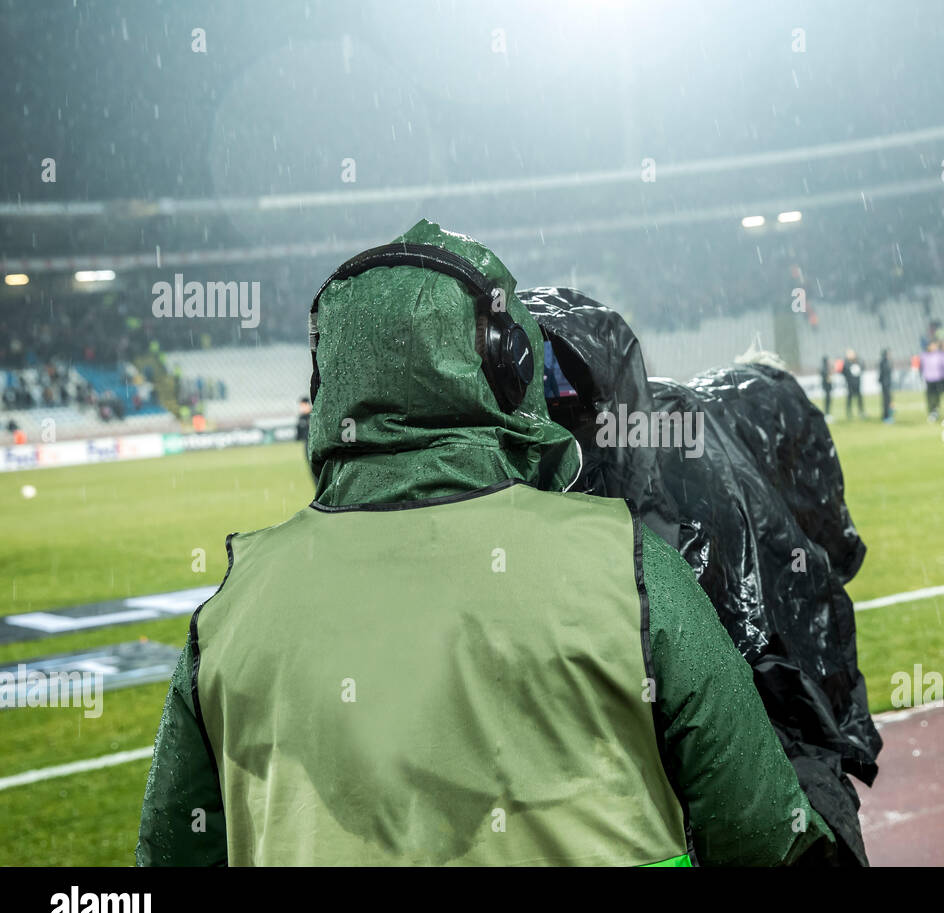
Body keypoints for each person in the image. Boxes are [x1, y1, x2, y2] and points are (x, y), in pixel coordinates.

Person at [136, 220, 837, 868]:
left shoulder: (230, 614)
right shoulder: (624, 566)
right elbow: (762, 833)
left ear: (329, 386)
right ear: (509, 366)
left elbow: (168, 858)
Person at [920, 340, 944, 422]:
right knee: (929, 397)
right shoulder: (924, 355)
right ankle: (932, 411)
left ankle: (937, 411)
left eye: (934, 346)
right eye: (931, 346)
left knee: (938, 396)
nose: (933, 347)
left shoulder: (939, 355)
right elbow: (921, 367)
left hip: (938, 379)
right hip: (928, 379)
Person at [842, 348, 865, 419]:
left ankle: (861, 412)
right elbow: (844, 372)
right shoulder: (846, 363)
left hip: (857, 383)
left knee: (859, 398)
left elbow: (862, 368)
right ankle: (849, 413)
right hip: (850, 384)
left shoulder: (858, 361)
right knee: (849, 398)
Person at [878, 348, 894, 423]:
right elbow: (882, 374)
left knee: (888, 401)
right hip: (885, 385)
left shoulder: (887, 362)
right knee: (886, 402)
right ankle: (886, 416)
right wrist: (882, 382)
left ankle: (888, 415)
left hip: (887, 384)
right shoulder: (883, 362)